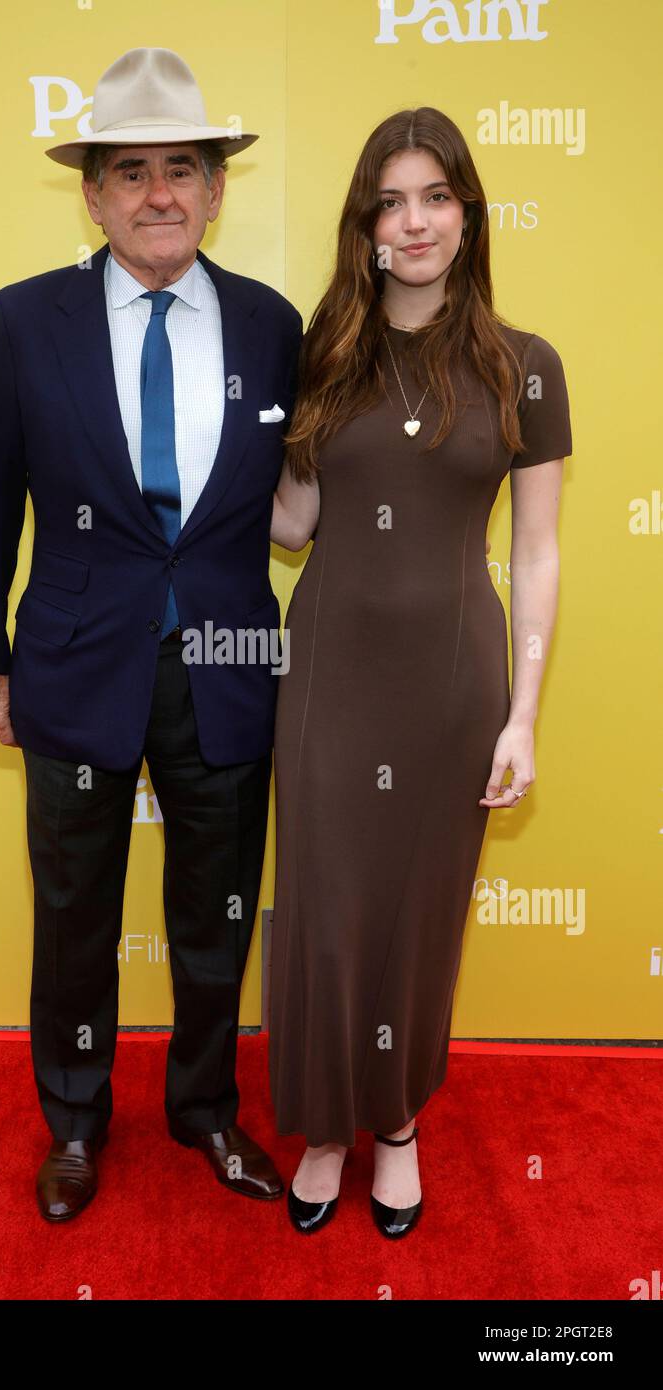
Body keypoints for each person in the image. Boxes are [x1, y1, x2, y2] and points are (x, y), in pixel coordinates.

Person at [0, 47, 302, 1221]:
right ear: (91, 194)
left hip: (231, 665)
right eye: (132, 170)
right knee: (75, 917)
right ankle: (78, 1120)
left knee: (218, 914)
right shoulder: (22, 321)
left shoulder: (269, 324)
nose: (159, 193)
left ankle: (204, 1110)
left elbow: (304, 497)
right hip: (74, 664)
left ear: (215, 188)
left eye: (182, 168)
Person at [268, 107, 572, 1239]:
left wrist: (524, 714)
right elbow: (293, 527)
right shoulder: (325, 347)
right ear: (364, 221)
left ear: (466, 211)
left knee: (419, 914)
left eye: (433, 197)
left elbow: (534, 550)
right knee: (329, 911)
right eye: (389, 201)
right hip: (330, 673)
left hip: (454, 681)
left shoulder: (522, 366)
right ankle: (329, 1126)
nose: (413, 221)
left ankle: (392, 1124)